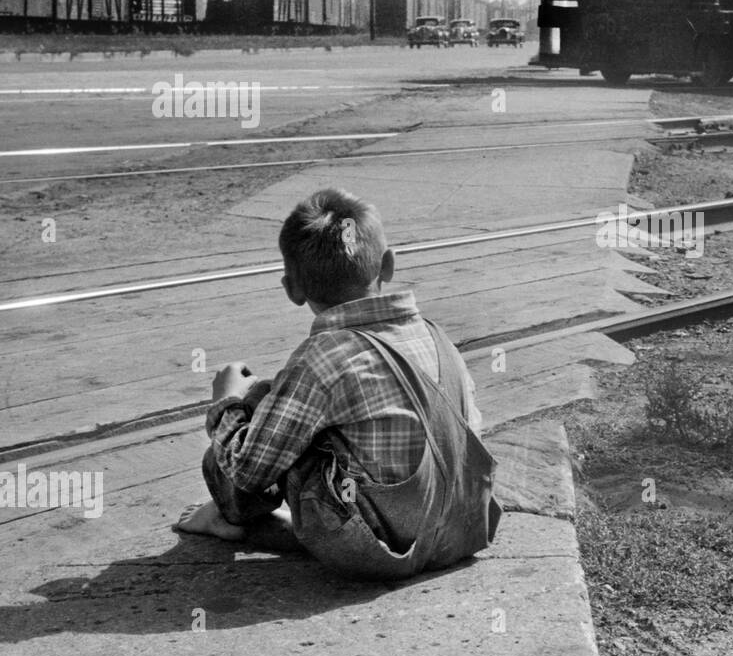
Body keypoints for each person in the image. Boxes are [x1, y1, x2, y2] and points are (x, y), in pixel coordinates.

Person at [174, 187, 500, 579]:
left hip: (381, 551)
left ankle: (226, 517)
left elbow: (248, 471)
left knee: (253, 416)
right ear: (389, 265)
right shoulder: (435, 335)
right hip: (460, 531)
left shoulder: (323, 357)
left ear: (293, 289)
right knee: (288, 401)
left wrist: (226, 403)